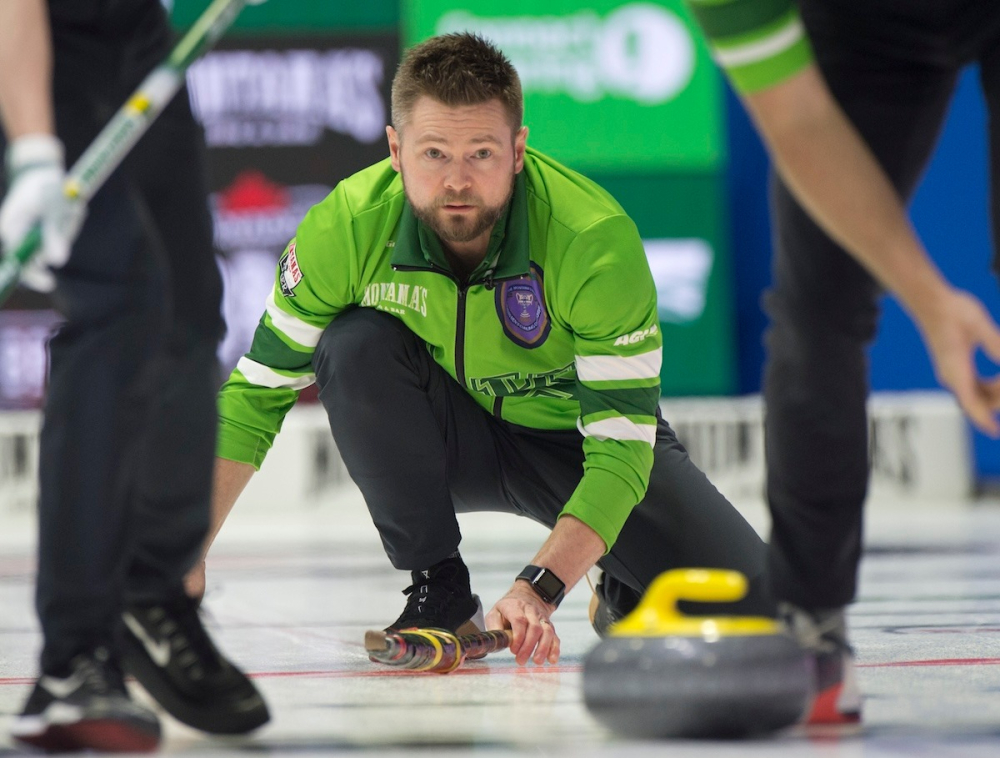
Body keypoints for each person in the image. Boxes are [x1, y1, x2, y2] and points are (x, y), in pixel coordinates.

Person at [186, 32, 773, 672]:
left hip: (575, 447)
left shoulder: (594, 241)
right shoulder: (346, 227)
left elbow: (621, 449)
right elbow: (253, 398)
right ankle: (440, 590)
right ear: (395, 150)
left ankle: (623, 584)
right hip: (445, 438)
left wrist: (541, 585)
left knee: (761, 612)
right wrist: (184, 551)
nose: (458, 181)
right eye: (434, 153)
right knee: (352, 344)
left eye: (482, 153)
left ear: (518, 151)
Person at [685, 0, 1000, 725]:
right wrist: (930, 301)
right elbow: (796, 120)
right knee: (816, 308)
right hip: (860, 24)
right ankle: (812, 628)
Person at [0, 0, 269, 751]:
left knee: (188, 312)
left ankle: (151, 588)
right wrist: (30, 149)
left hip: (134, 32)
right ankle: (72, 659)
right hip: (24, 44)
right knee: (122, 306)